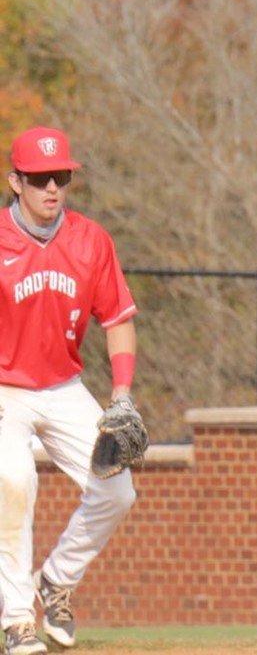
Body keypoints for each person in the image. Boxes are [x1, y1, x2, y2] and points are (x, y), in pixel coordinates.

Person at [0, 128, 139, 654]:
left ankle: (55, 581)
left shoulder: (89, 240)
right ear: (16, 182)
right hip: (5, 389)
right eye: (39, 178)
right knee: (13, 483)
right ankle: (17, 623)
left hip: (64, 386)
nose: (52, 187)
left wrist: (121, 394)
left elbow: (119, 319)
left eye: (61, 176)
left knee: (117, 491)